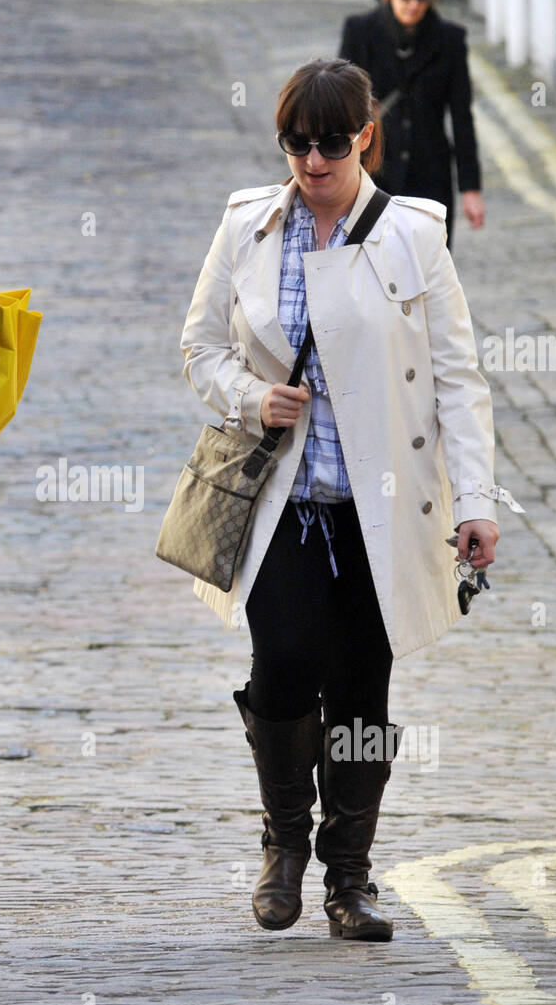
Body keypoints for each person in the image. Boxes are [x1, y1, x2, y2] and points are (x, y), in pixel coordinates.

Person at [178, 58, 522, 942]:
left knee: (364, 689)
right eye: (298, 143)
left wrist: (474, 501)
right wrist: (254, 398)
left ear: (365, 135)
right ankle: (284, 843)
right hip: (284, 499)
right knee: (285, 663)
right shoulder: (248, 227)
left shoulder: (413, 236)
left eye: (333, 142)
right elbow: (199, 348)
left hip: (383, 507)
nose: (315, 160)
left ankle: (350, 876)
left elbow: (458, 379)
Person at [340, 0, 484, 254]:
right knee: (373, 269)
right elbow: (344, 111)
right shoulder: (359, 32)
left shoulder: (450, 40)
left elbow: (461, 117)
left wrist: (471, 190)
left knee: (429, 274)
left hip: (431, 178)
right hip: (373, 176)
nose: (414, 5)